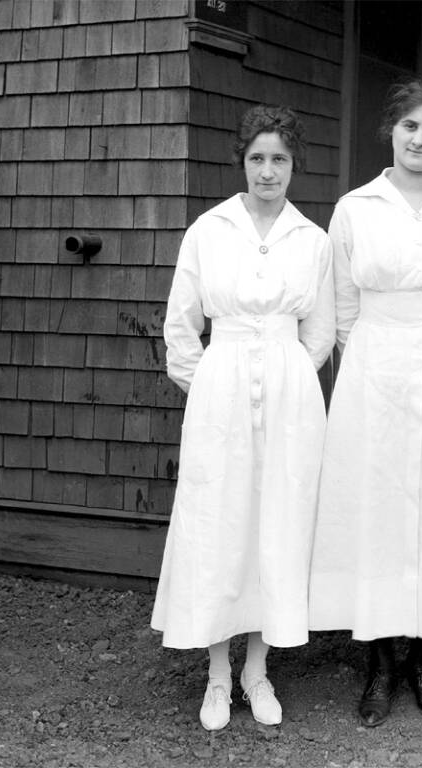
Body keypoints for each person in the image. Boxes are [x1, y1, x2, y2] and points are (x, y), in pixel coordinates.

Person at [309, 80, 422, 727]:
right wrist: (381, 354)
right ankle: (381, 661)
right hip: (374, 373)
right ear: (390, 130)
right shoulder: (356, 207)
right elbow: (341, 307)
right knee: (381, 509)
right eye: (410, 126)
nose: (420, 139)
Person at [151, 105, 335, 732]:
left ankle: (258, 669)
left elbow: (321, 334)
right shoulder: (209, 230)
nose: (267, 170)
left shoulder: (313, 240)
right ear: (243, 162)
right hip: (222, 388)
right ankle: (217, 673)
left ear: (293, 166)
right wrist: (208, 381)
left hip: (288, 394)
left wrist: (286, 375)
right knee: (220, 521)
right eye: (257, 158)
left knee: (275, 522)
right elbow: (181, 326)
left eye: (279, 159)